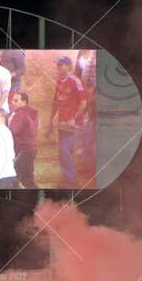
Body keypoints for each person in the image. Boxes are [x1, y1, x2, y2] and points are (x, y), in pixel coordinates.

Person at [51, 54, 91, 186]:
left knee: (64, 149)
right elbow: (56, 102)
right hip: (62, 123)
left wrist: (75, 118)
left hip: (73, 123)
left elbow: (84, 102)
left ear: (68, 66)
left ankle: (72, 179)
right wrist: (52, 119)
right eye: (58, 65)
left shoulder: (75, 81)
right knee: (63, 151)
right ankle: (67, 177)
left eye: (61, 65)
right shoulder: (58, 82)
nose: (59, 67)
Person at [8, 89, 40, 189]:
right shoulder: (31, 113)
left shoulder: (20, 114)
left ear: (24, 102)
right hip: (31, 149)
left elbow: (13, 130)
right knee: (27, 180)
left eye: (16, 100)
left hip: (23, 150)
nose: (12, 102)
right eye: (13, 100)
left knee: (12, 177)